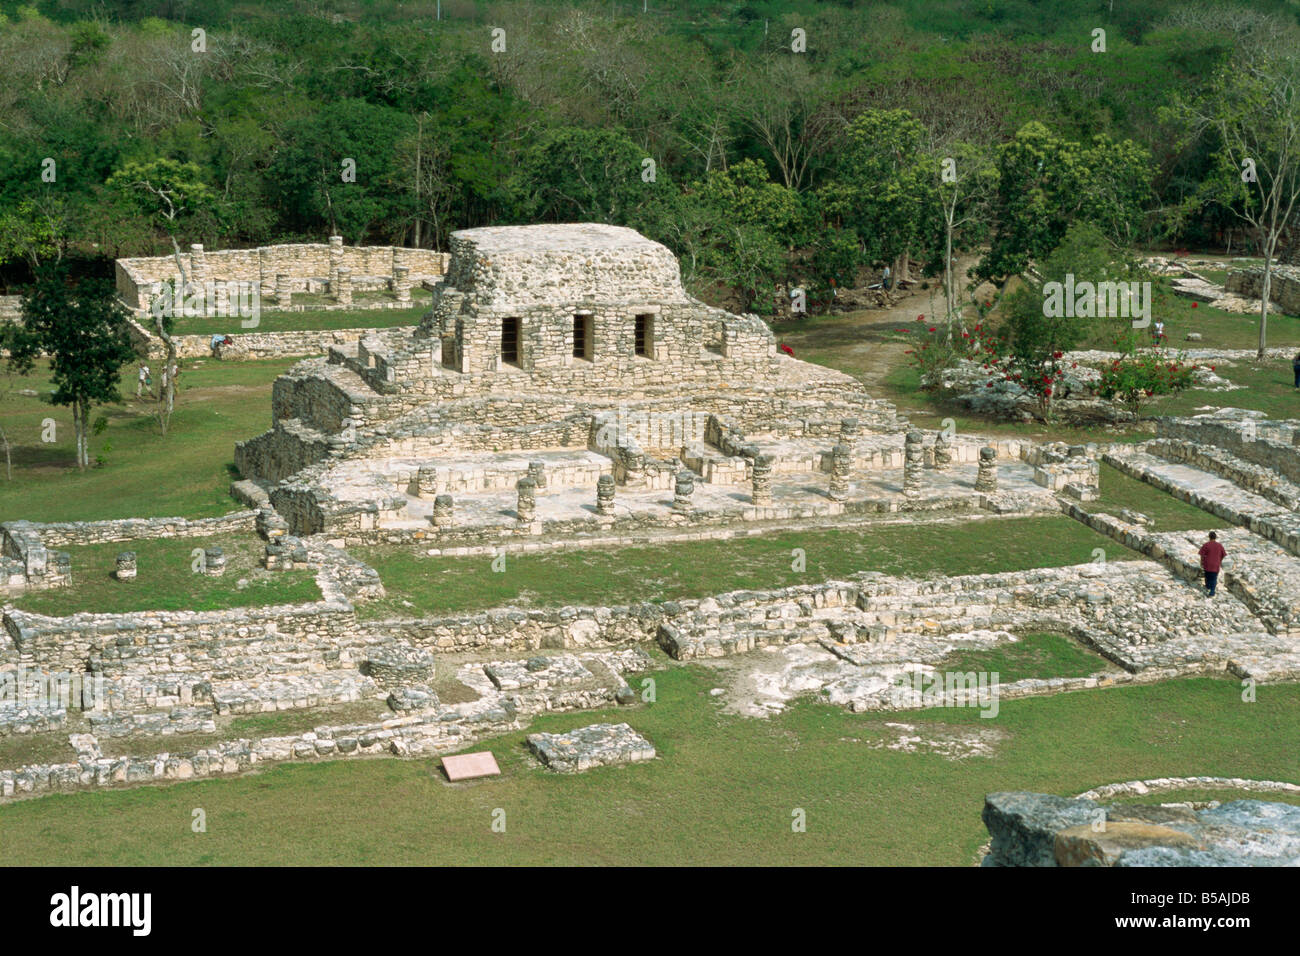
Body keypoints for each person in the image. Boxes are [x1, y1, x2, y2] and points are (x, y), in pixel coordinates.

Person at [1199, 531, 1226, 597]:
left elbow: (1202, 555)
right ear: (1215, 537)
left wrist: (1201, 562)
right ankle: (1212, 591)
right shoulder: (1219, 545)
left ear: (1209, 537)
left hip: (1207, 564)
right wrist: (1220, 561)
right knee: (1214, 578)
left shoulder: (1206, 545)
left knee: (1207, 576)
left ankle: (1208, 586)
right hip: (1216, 564)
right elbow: (1223, 554)